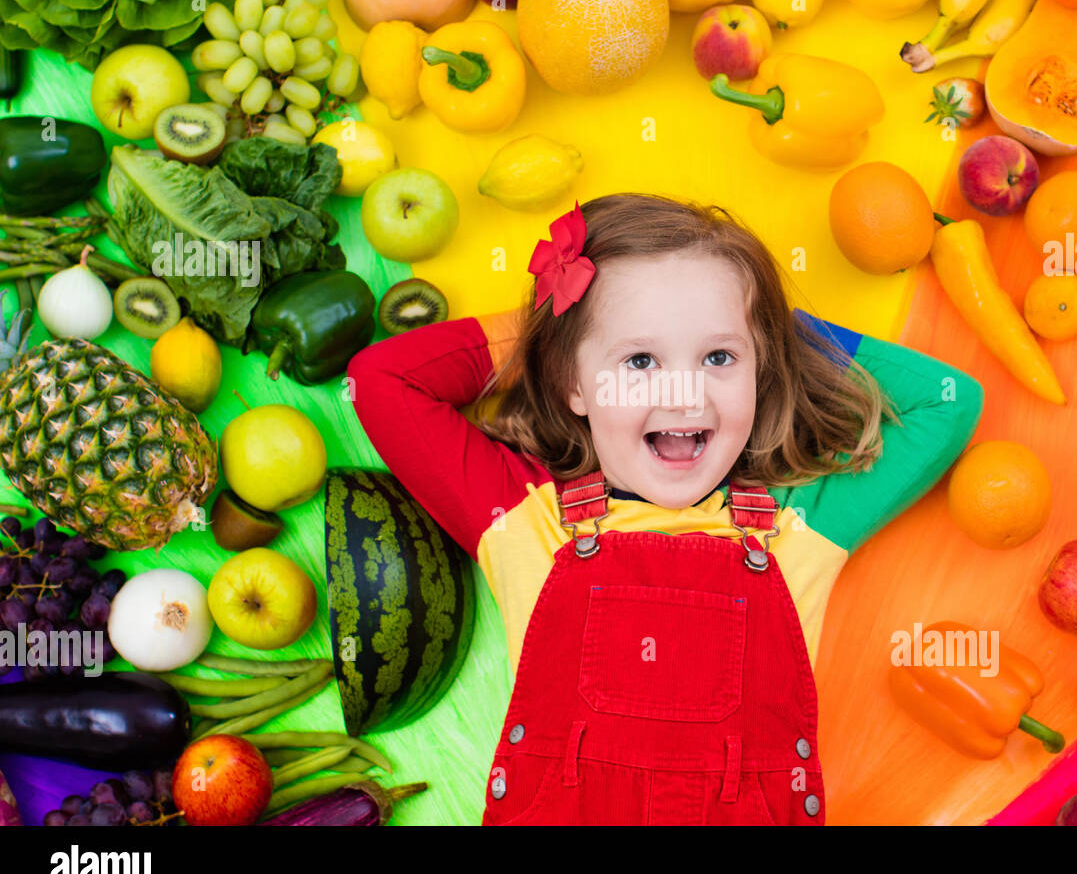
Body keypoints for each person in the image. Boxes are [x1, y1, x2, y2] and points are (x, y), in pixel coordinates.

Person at [347, 192, 984, 825]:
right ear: (573, 381)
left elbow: (951, 400)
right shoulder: (525, 524)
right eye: (641, 360)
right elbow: (382, 380)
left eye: (719, 357)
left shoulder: (800, 532)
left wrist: (756, 316)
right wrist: (556, 320)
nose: (683, 394)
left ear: (760, 375)